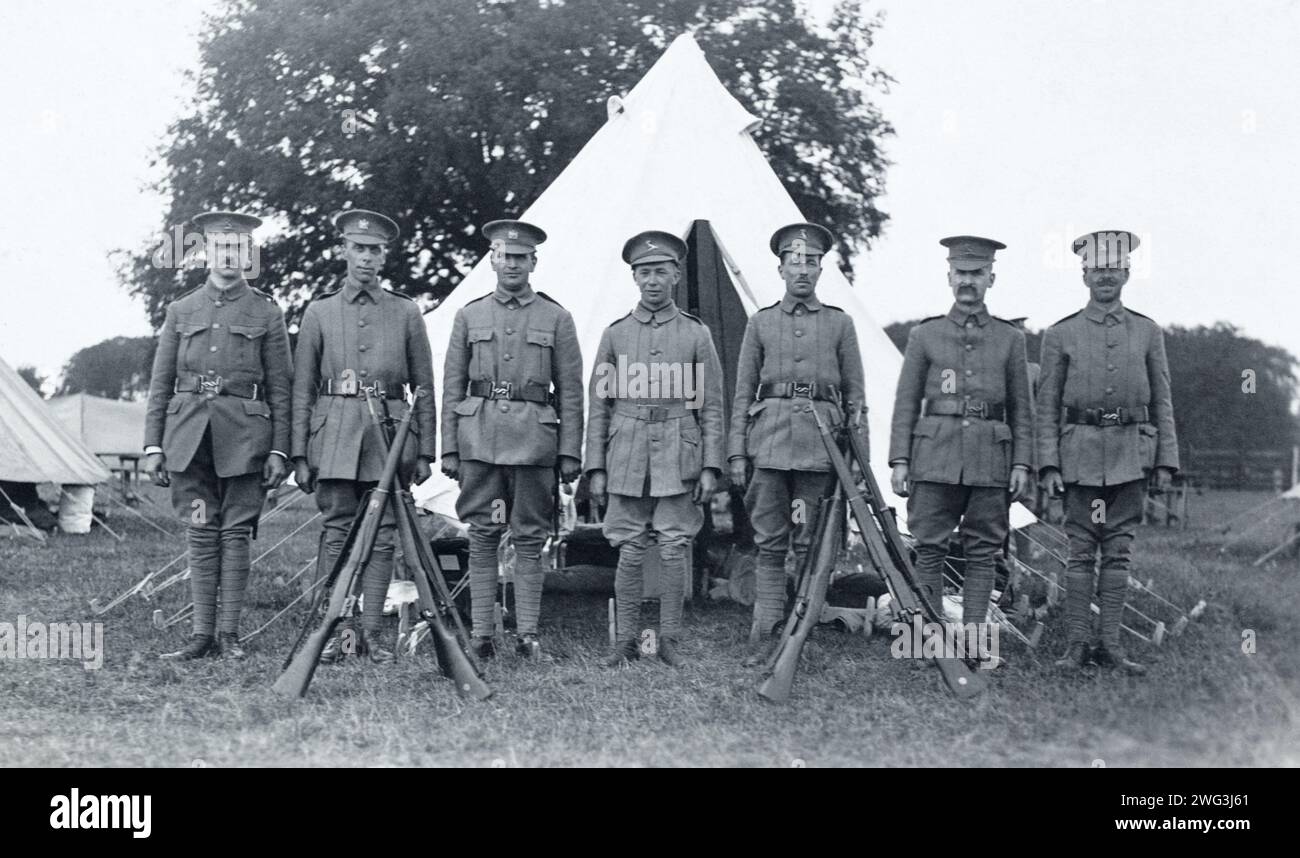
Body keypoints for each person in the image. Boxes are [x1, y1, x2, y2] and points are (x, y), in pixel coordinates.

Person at [144, 211, 292, 660]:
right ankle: (200, 634)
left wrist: (280, 449)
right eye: (222, 249)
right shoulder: (182, 309)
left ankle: (229, 634)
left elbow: (281, 387)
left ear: (250, 255)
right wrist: (154, 444)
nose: (230, 257)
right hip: (188, 435)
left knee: (235, 530)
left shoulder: (266, 311)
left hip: (246, 437)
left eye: (240, 250)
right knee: (200, 528)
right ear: (207, 252)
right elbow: (160, 381)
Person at [290, 209, 436, 664]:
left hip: (389, 435)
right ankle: (335, 631)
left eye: (374, 250)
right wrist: (298, 452)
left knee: (384, 535)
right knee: (337, 530)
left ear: (384, 255)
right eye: (358, 248)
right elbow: (302, 388)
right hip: (333, 431)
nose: (366, 258)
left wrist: (426, 449)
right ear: (344, 251)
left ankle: (371, 632)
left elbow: (425, 385)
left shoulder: (407, 311)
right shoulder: (319, 311)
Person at [441, 220, 583, 660]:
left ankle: (527, 635)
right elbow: (452, 385)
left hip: (534, 444)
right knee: (483, 534)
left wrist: (569, 453)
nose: (513, 265)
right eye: (505, 257)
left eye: (522, 258)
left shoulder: (555, 317)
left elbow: (572, 391)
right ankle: (482, 634)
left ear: (534, 262)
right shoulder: (470, 314)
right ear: (492, 260)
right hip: (480, 441)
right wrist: (449, 446)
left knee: (528, 538)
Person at [1037, 230, 1178, 675]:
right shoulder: (1061, 334)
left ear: (1127, 273)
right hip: (1079, 457)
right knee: (1080, 553)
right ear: (1083, 274)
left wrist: (1166, 460)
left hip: (1131, 457)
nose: (1105, 276)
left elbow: (1163, 399)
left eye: (1113, 268)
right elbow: (1046, 405)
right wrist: (1048, 462)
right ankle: (1077, 646)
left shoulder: (1148, 331)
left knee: (1119, 552)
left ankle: (1111, 647)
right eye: (1097, 268)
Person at [888, 236, 1033, 665]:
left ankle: (974, 644)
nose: (968, 281)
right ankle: (925, 643)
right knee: (929, 547)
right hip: (933, 457)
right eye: (961, 273)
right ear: (949, 276)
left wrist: (1023, 461)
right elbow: (905, 402)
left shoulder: (1010, 339)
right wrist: (899, 460)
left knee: (982, 552)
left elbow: (1023, 407)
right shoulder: (925, 335)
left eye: (976, 273)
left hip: (991, 459)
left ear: (991, 277)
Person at [727, 222, 866, 666]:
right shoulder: (761, 323)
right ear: (780, 267)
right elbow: (743, 391)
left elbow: (858, 396)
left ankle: (805, 624)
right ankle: (766, 625)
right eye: (795, 261)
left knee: (811, 542)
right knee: (769, 539)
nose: (802, 270)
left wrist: (858, 458)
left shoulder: (840, 324)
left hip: (820, 450)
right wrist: (735, 451)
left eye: (812, 262)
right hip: (768, 445)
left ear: (822, 270)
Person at [585, 230, 724, 668]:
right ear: (634, 277)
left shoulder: (696, 334)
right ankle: (626, 640)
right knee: (627, 546)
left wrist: (710, 465)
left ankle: (669, 639)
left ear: (676, 275)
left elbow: (713, 405)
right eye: (644, 272)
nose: (652, 281)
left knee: (672, 545)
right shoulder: (616, 334)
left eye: (661, 271)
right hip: (625, 452)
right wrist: (596, 468)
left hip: (678, 452)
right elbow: (599, 406)